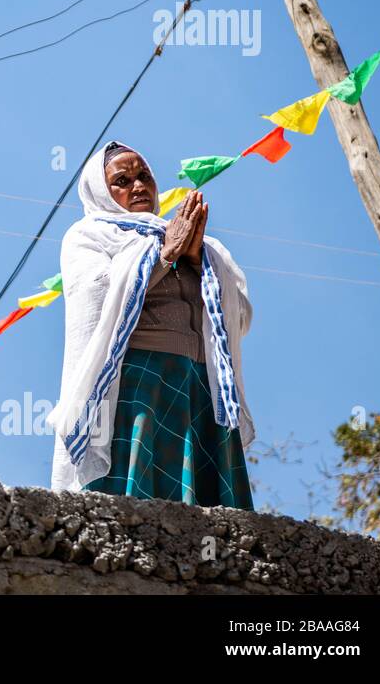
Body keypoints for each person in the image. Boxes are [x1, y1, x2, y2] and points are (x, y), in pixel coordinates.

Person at [48, 141, 255, 508]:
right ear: (100, 191)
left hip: (203, 388)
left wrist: (195, 260)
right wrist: (162, 255)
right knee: (133, 507)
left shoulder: (207, 248)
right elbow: (96, 292)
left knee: (211, 515)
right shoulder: (89, 234)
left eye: (144, 176)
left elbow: (240, 318)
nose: (138, 186)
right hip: (139, 383)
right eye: (122, 181)